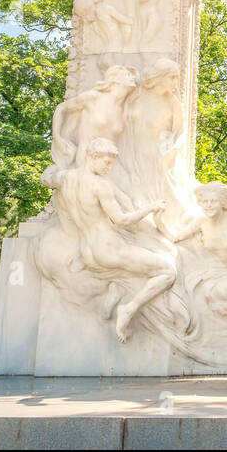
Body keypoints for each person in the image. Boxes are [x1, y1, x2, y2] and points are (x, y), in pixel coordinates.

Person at [53, 137, 171, 342]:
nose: (109, 167)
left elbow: (47, 179)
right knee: (167, 271)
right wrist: (151, 207)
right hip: (108, 249)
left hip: (88, 252)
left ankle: (116, 291)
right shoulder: (100, 186)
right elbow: (121, 220)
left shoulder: (66, 178)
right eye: (106, 162)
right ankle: (128, 308)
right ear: (92, 156)